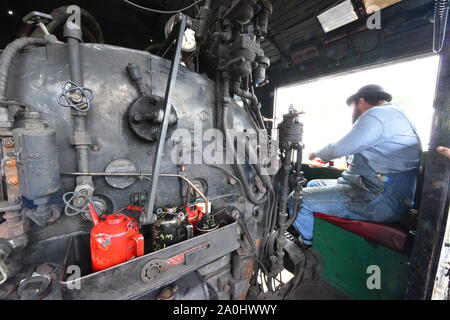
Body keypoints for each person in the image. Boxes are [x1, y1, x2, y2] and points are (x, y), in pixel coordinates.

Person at [289, 84, 421, 245]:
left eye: (353, 107)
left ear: (361, 102)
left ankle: (307, 246)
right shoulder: (395, 114)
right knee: (313, 183)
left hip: (380, 198)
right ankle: (320, 236)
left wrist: (317, 154)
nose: (353, 112)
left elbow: (339, 148)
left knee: (297, 200)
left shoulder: (377, 115)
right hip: (377, 190)